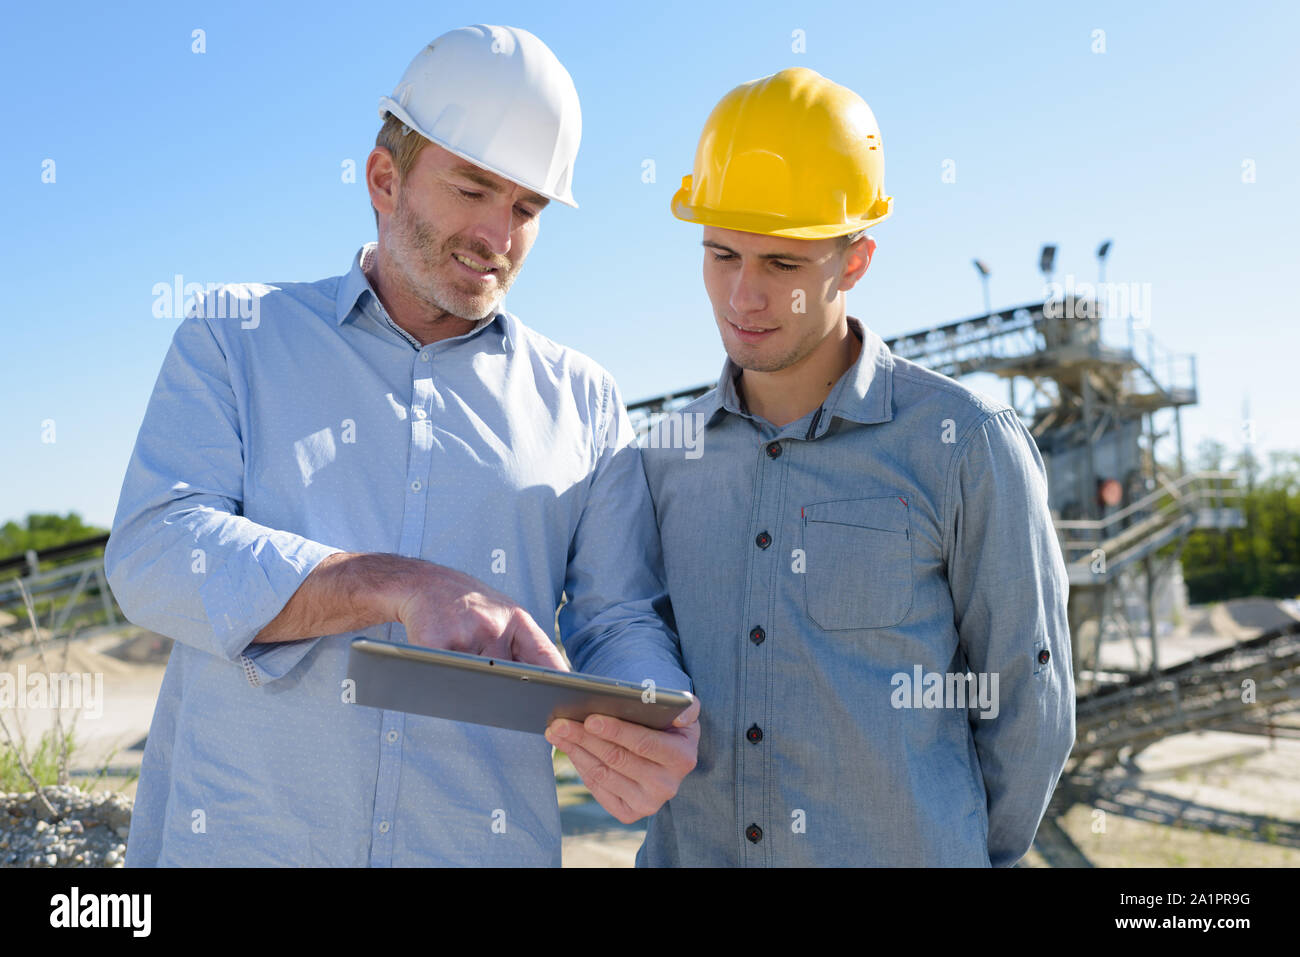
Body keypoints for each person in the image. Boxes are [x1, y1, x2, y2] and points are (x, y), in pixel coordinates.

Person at [105, 24, 698, 867]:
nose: (499, 234)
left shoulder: (585, 402)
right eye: (473, 188)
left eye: (527, 207)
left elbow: (619, 617)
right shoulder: (237, 336)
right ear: (385, 179)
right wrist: (392, 585)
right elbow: (155, 552)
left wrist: (649, 709)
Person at [633, 67, 1075, 866]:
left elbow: (1029, 704)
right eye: (722, 253)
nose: (743, 297)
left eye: (783, 266)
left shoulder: (965, 445)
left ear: (857, 259)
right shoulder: (663, 462)